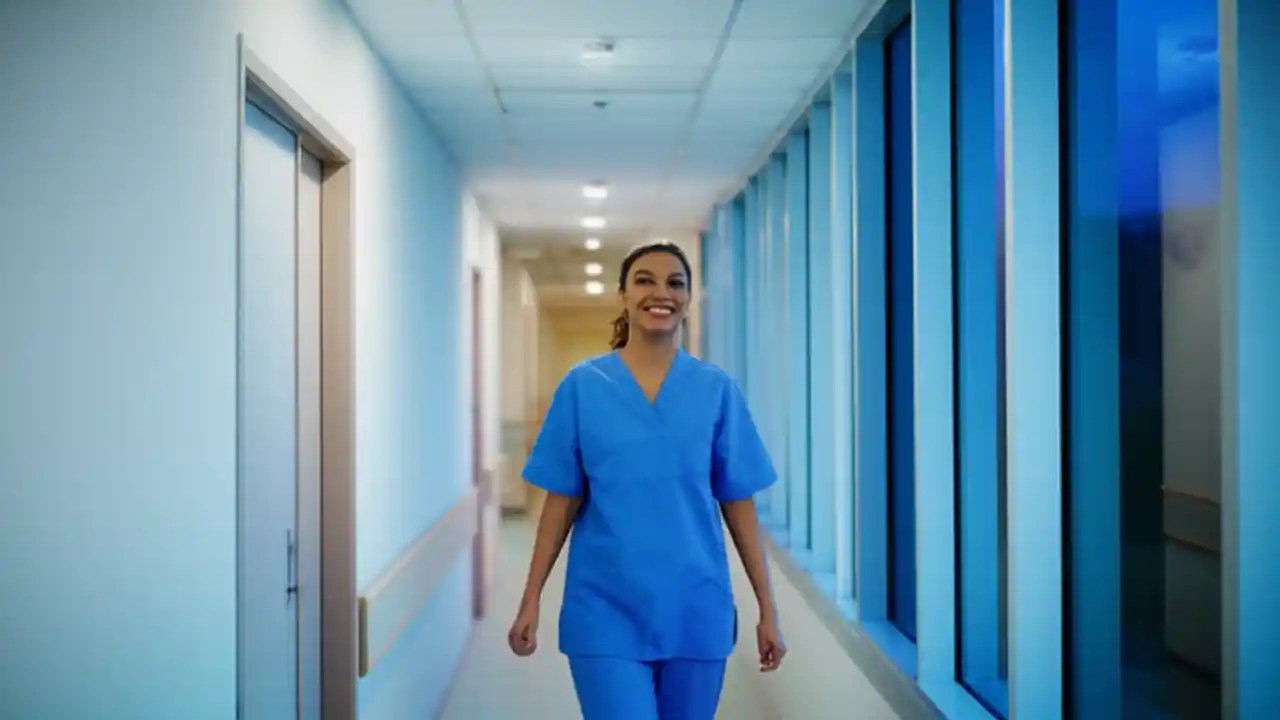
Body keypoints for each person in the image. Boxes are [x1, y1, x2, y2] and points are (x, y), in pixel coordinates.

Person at [507, 240, 786, 719]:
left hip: (695, 608)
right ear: (622, 294)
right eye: (644, 280)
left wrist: (768, 609)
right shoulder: (583, 386)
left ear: (688, 299)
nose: (661, 293)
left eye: (675, 283)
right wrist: (530, 599)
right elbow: (560, 502)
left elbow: (739, 503)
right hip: (604, 609)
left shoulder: (717, 391)